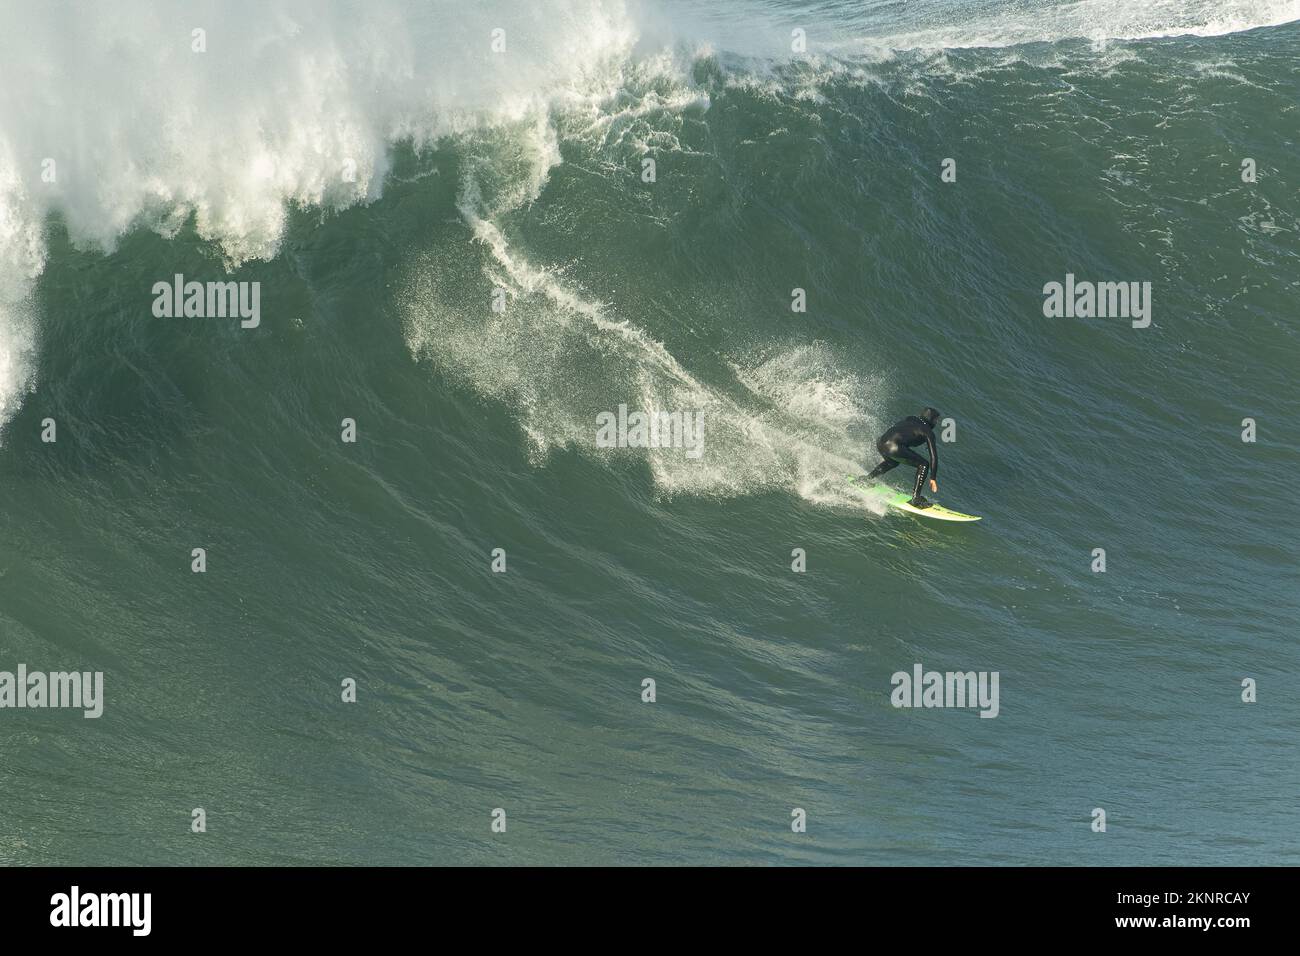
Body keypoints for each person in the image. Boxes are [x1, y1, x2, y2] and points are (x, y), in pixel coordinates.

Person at [865, 407, 942, 508]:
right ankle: (915, 499)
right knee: (923, 464)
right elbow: (934, 456)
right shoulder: (928, 431)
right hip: (894, 447)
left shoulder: (910, 418)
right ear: (931, 419)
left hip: (881, 442)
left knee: (892, 462)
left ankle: (867, 479)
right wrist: (933, 478)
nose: (936, 423)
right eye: (936, 420)